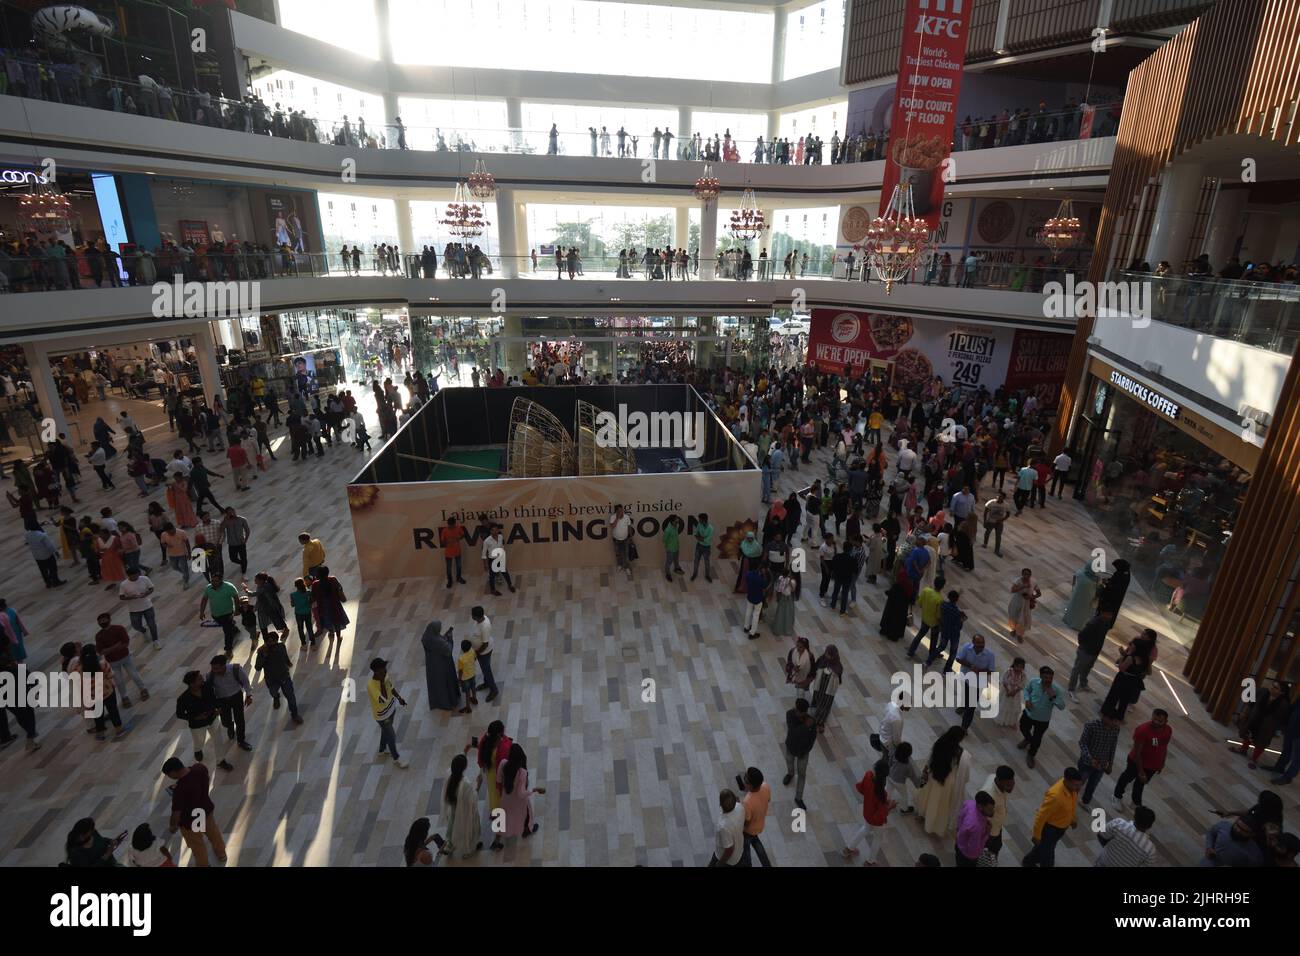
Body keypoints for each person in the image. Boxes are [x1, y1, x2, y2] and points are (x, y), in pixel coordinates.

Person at [162, 757, 226, 866]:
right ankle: (221, 854)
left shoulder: (179, 790)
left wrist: (173, 826)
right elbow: (205, 779)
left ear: (173, 772)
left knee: (197, 846)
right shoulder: (200, 768)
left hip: (191, 820)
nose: (169, 777)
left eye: (168, 774)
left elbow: (176, 813)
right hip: (205, 811)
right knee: (213, 833)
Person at [1022, 768, 1082, 867]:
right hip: (1050, 830)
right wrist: (1036, 836)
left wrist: (1072, 819)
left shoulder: (1072, 789)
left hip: (1060, 828)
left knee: (1043, 848)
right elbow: (1041, 816)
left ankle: (1028, 862)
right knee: (1048, 857)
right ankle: (1029, 861)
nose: (1078, 788)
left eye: (1080, 785)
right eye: (1076, 785)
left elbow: (1071, 805)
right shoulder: (1055, 796)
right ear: (1066, 781)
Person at [915, 726, 969, 837]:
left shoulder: (939, 742)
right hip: (947, 781)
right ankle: (932, 826)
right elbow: (964, 775)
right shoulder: (961, 754)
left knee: (928, 797)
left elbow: (930, 758)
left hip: (933, 775)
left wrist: (926, 770)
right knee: (939, 804)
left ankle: (921, 814)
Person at [842, 756, 895, 866]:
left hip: (867, 813)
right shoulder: (882, 794)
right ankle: (870, 862)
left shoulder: (868, 776)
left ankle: (849, 848)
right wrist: (890, 806)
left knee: (865, 828)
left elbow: (860, 788)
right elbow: (881, 812)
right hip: (877, 821)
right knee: (878, 838)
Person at [1113, 709, 1172, 807]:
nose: (1156, 722)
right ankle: (1117, 796)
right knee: (1126, 778)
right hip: (1136, 762)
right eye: (1154, 719)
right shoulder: (1143, 730)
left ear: (1166, 721)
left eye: (1160, 721)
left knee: (1141, 784)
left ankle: (1135, 802)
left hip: (1152, 766)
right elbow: (1137, 752)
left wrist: (1162, 763)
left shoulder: (1168, 730)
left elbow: (1164, 747)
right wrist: (1141, 771)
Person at [176, 669, 233, 771]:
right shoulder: (183, 699)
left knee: (218, 740)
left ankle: (221, 761)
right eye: (199, 679)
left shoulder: (207, 687)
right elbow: (179, 714)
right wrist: (195, 717)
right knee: (199, 742)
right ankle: (198, 750)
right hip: (197, 725)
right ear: (192, 684)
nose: (202, 679)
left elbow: (214, 699)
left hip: (212, 718)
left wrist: (218, 708)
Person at [93, 612, 149, 708]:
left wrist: (109, 649)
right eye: (100, 621)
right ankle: (124, 697)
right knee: (119, 681)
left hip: (124, 657)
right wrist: (116, 646)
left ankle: (143, 689)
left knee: (134, 674)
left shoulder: (119, 629)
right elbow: (101, 651)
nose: (103, 622)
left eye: (104, 620)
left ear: (109, 620)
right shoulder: (99, 636)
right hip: (113, 661)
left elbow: (125, 643)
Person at [1103, 627, 1158, 719]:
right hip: (1134, 679)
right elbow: (1149, 671)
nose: (1141, 635)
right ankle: (1120, 716)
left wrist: (1123, 656)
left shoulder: (1131, 658)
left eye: (1144, 634)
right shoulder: (1145, 658)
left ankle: (1107, 712)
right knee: (1125, 698)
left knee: (1114, 695)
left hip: (1124, 678)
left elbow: (1121, 668)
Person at [1018, 665, 1066, 768]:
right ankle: (1027, 739)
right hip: (1029, 713)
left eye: (1050, 678)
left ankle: (1031, 755)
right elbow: (1027, 690)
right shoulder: (1034, 682)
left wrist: (1053, 697)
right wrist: (1027, 700)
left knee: (1037, 739)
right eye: (1045, 677)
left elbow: (1062, 706)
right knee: (1023, 727)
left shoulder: (1057, 690)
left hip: (1042, 720)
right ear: (1041, 676)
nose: (1048, 680)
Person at [497, 743, 543, 845]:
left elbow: (499, 781)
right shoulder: (522, 772)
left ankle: (504, 834)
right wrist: (532, 791)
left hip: (506, 797)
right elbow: (521, 793)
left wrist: (502, 794)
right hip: (518, 801)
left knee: (507, 815)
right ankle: (527, 829)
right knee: (526, 814)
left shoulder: (503, 763)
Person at [253, 629, 303, 724]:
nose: (271, 644)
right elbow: (257, 668)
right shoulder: (262, 652)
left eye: (273, 641)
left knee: (290, 696)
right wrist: (264, 656)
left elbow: (284, 655)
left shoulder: (281, 646)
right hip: (271, 679)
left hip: (284, 676)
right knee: (273, 692)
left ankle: (295, 714)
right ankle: (276, 697)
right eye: (268, 642)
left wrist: (288, 662)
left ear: (277, 641)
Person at [207, 655, 254, 753]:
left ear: (224, 665)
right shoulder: (210, 676)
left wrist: (249, 696)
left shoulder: (235, 669)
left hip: (236, 696)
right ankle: (230, 726)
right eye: (212, 668)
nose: (214, 671)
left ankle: (241, 741)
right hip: (222, 700)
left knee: (240, 719)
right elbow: (209, 691)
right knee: (225, 721)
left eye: (216, 668)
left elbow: (245, 682)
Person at [367, 657, 408, 768]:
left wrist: (400, 698)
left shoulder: (385, 676)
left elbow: (391, 688)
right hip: (382, 716)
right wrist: (381, 682)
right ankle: (396, 758)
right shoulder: (371, 686)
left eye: (385, 669)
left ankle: (381, 749)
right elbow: (383, 698)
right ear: (375, 671)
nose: (385, 672)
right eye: (381, 670)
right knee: (391, 736)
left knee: (386, 732)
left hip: (391, 710)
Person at [440, 753, 483, 860]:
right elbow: (472, 800)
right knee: (469, 829)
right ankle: (467, 850)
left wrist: (464, 752)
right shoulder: (465, 784)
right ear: (464, 767)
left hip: (454, 809)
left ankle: (450, 845)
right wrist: (478, 786)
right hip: (465, 812)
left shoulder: (449, 774)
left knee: (452, 827)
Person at [1077, 707, 1122, 805]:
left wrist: (1110, 764)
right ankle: (1068, 802)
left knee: (1092, 786)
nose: (1115, 723)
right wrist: (1090, 759)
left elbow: (1112, 746)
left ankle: (1085, 802)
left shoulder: (1115, 730)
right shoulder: (1091, 725)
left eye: (1116, 721)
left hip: (1101, 765)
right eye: (1113, 720)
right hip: (1086, 763)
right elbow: (1082, 743)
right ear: (1105, 717)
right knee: (1078, 784)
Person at [1067, 609, 1114, 699]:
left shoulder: (1106, 623)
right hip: (1085, 651)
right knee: (1077, 669)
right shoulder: (1093, 624)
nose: (1110, 616)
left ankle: (1083, 684)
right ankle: (1071, 689)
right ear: (1103, 613)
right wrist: (1083, 646)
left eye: (1111, 614)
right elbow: (1081, 635)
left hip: (1094, 651)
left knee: (1087, 668)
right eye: (1108, 614)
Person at [783, 697, 817, 810]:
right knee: (789, 762)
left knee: (802, 774)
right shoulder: (790, 714)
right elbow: (793, 732)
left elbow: (813, 737)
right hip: (791, 747)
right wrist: (805, 726)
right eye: (796, 710)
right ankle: (790, 774)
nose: (796, 712)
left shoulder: (811, 721)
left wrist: (807, 749)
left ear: (804, 712)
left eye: (799, 711)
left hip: (803, 752)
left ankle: (799, 797)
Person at [421, 620, 461, 711]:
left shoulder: (426, 637)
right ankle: (449, 701)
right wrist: (450, 639)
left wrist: (443, 637)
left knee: (436, 683)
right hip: (443, 665)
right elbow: (448, 650)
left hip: (432, 664)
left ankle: (438, 701)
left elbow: (435, 643)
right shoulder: (439, 642)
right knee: (446, 681)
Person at [736, 766, 772, 866]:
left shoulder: (747, 802)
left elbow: (746, 821)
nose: (744, 781)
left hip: (748, 830)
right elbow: (768, 799)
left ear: (751, 785)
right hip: (759, 825)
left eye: (746, 780)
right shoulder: (765, 786)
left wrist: (739, 806)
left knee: (746, 850)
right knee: (756, 843)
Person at [198, 571, 241, 654]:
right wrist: (201, 612)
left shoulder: (229, 587)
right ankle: (234, 628)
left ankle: (228, 649)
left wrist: (237, 610)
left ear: (221, 580)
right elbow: (204, 600)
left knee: (227, 632)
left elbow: (236, 598)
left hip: (227, 613)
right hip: (215, 615)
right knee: (228, 626)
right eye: (212, 581)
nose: (213, 583)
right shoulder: (208, 588)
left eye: (216, 581)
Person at [1201, 815, 1266, 867]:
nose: (1238, 830)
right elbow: (1211, 833)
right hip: (1212, 859)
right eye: (1237, 825)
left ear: (1252, 834)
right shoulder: (1224, 826)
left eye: (1244, 831)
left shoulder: (1254, 854)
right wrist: (1209, 847)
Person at [118, 567, 160, 647]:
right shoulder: (124, 584)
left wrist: (146, 594)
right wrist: (131, 597)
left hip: (147, 606)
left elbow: (151, 588)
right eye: (133, 576)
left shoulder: (145, 579)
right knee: (135, 625)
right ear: (129, 576)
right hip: (134, 609)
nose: (136, 577)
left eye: (137, 575)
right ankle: (144, 631)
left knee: (152, 624)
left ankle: (155, 640)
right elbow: (121, 596)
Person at [954, 791, 996, 867]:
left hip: (959, 843)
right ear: (980, 807)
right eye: (989, 809)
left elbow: (960, 819)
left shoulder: (970, 804)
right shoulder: (977, 827)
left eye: (993, 808)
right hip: (967, 856)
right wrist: (987, 832)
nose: (993, 812)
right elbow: (974, 850)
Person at [469, 606, 499, 703]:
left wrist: (477, 653)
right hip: (480, 651)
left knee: (487, 671)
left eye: (472, 615)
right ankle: (486, 683)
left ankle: (494, 690)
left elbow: (485, 644)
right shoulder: (481, 619)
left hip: (484, 652)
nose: (471, 616)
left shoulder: (484, 626)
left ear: (476, 617)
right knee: (484, 668)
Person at [710, 789, 748, 866]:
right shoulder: (740, 807)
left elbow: (729, 849)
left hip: (727, 860)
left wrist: (720, 863)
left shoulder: (724, 826)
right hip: (739, 852)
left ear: (720, 804)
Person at [1007, 568, 1041, 642]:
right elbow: (1012, 590)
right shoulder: (1017, 581)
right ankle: (1014, 630)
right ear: (1022, 574)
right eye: (1024, 574)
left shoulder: (1033, 582)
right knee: (1014, 616)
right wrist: (1023, 586)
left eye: (1028, 574)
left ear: (1030, 575)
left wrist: (1031, 597)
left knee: (1023, 619)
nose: (1026, 576)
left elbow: (1039, 593)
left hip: (1026, 603)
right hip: (1017, 601)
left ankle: (1020, 635)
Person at [609, 505, 633, 579]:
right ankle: (619, 565)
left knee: (625, 554)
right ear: (616, 511)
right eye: (619, 511)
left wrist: (630, 537)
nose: (621, 512)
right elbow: (612, 526)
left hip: (625, 539)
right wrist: (617, 518)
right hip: (616, 539)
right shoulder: (612, 517)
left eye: (622, 510)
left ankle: (626, 567)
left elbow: (629, 527)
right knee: (618, 554)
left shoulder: (626, 517)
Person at [690, 512, 714, 582]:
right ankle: (694, 574)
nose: (699, 521)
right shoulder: (699, 525)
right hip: (699, 546)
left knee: (707, 562)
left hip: (706, 548)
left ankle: (707, 575)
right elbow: (695, 534)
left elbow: (707, 540)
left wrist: (700, 538)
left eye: (700, 519)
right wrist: (700, 538)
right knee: (696, 561)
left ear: (704, 520)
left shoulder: (711, 528)